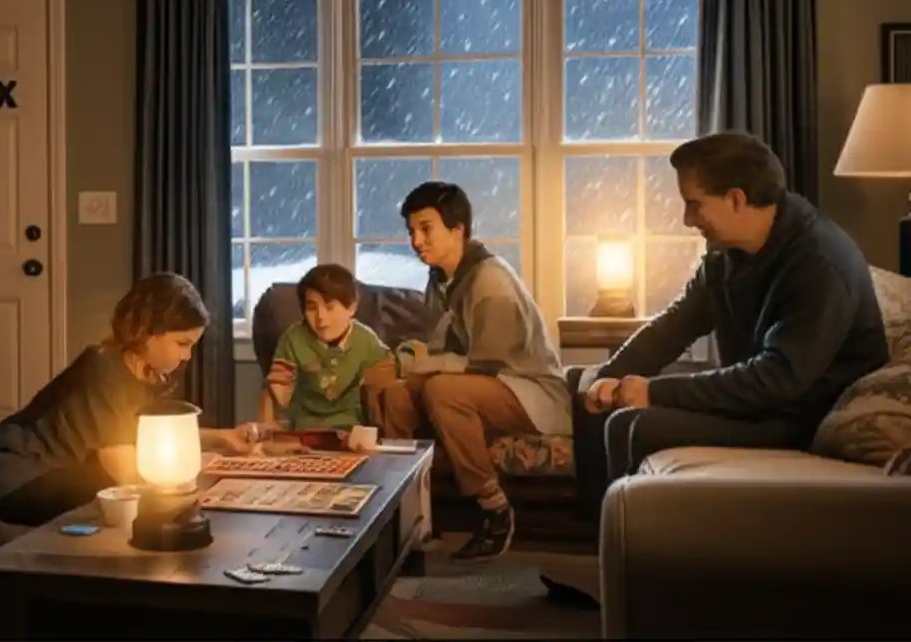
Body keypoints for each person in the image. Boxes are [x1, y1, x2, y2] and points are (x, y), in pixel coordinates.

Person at [0, 272, 291, 638]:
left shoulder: (139, 372)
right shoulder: (104, 369)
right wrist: (206, 475)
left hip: (59, 472)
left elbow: (146, 436)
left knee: (122, 494)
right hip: (8, 473)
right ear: (149, 330)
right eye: (182, 343)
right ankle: (4, 539)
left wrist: (222, 440)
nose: (187, 356)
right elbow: (124, 465)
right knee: (125, 492)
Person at [579, 132, 889, 497]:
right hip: (755, 401)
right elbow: (674, 326)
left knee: (632, 424)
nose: (687, 219)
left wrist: (654, 392)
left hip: (799, 415)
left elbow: (779, 379)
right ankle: (589, 525)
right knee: (585, 382)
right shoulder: (727, 254)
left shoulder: (819, 263)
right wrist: (610, 376)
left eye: (694, 205)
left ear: (736, 199)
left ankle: (611, 528)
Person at [372, 181, 570, 561]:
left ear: (458, 229)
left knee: (442, 391)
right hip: (490, 382)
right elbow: (440, 347)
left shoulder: (490, 281)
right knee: (396, 392)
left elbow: (487, 363)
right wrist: (405, 366)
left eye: (426, 229)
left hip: (530, 390)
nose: (416, 241)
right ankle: (411, 513)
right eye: (411, 231)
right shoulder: (444, 278)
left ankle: (495, 509)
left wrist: (424, 367)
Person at [259, 263, 395, 433]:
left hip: (353, 431)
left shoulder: (367, 341)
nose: (321, 318)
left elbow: (386, 392)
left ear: (351, 308)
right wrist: (267, 432)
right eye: (311, 308)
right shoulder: (292, 339)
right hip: (304, 431)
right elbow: (273, 393)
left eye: (330, 307)